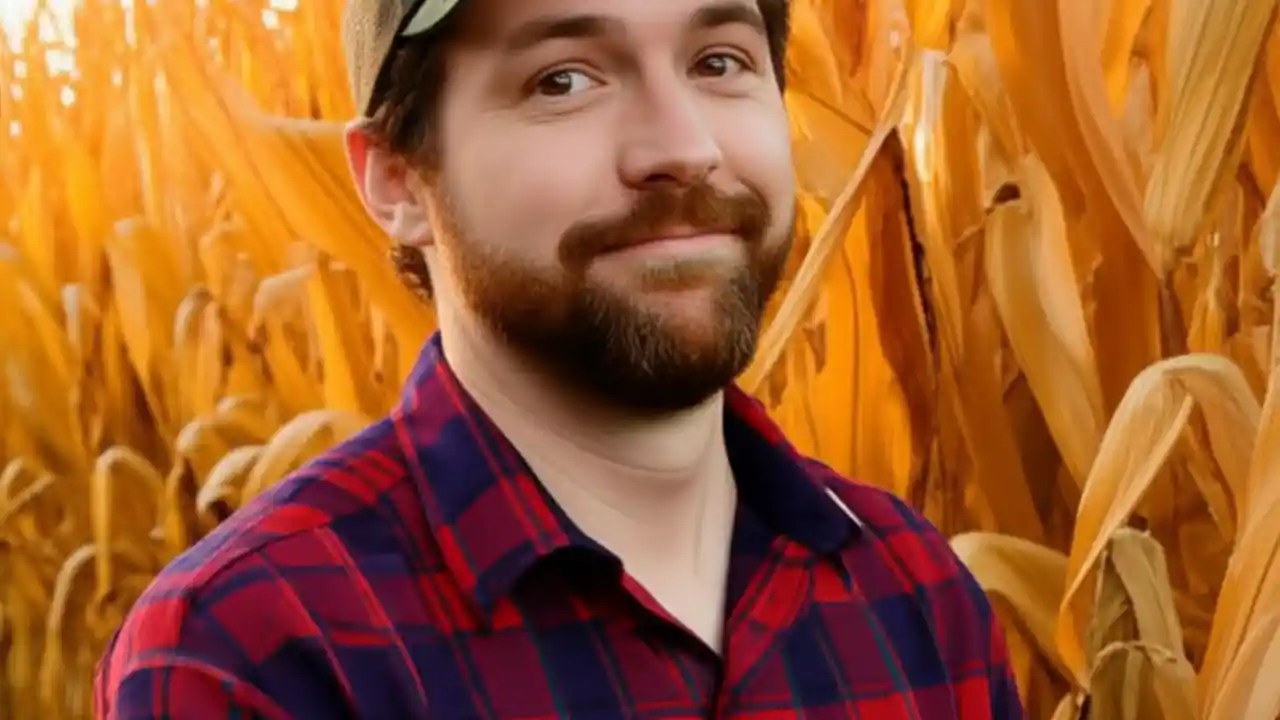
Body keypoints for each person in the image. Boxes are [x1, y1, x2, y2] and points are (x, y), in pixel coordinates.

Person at [94, 0, 1025, 717]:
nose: (684, 148)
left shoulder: (915, 593)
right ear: (396, 181)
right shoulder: (257, 650)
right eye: (564, 80)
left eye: (720, 61)